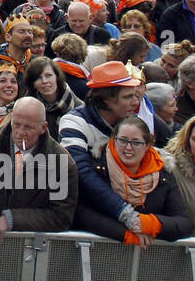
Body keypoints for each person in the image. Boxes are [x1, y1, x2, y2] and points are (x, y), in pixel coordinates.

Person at [0, 97, 78, 244]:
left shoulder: (62, 163)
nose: (20, 132)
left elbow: (60, 217)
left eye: (28, 127)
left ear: (43, 127)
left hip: (25, 249)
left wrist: (11, 219)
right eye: (16, 124)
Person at [58, 61, 149, 236]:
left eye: (135, 96)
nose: (135, 102)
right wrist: (124, 211)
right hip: (85, 220)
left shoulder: (134, 122)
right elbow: (80, 171)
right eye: (127, 97)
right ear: (107, 98)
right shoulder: (74, 122)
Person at [73, 115, 192, 245]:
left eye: (136, 142)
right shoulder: (96, 167)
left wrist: (147, 223)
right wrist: (124, 234)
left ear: (148, 145)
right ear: (113, 140)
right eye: (122, 140)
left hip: (143, 257)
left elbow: (183, 224)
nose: (128, 148)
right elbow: (80, 212)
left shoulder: (163, 174)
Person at [24, 56, 80, 138]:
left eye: (48, 75)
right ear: (32, 83)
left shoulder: (78, 107)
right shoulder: (25, 107)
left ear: (57, 77)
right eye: (38, 78)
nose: (44, 81)